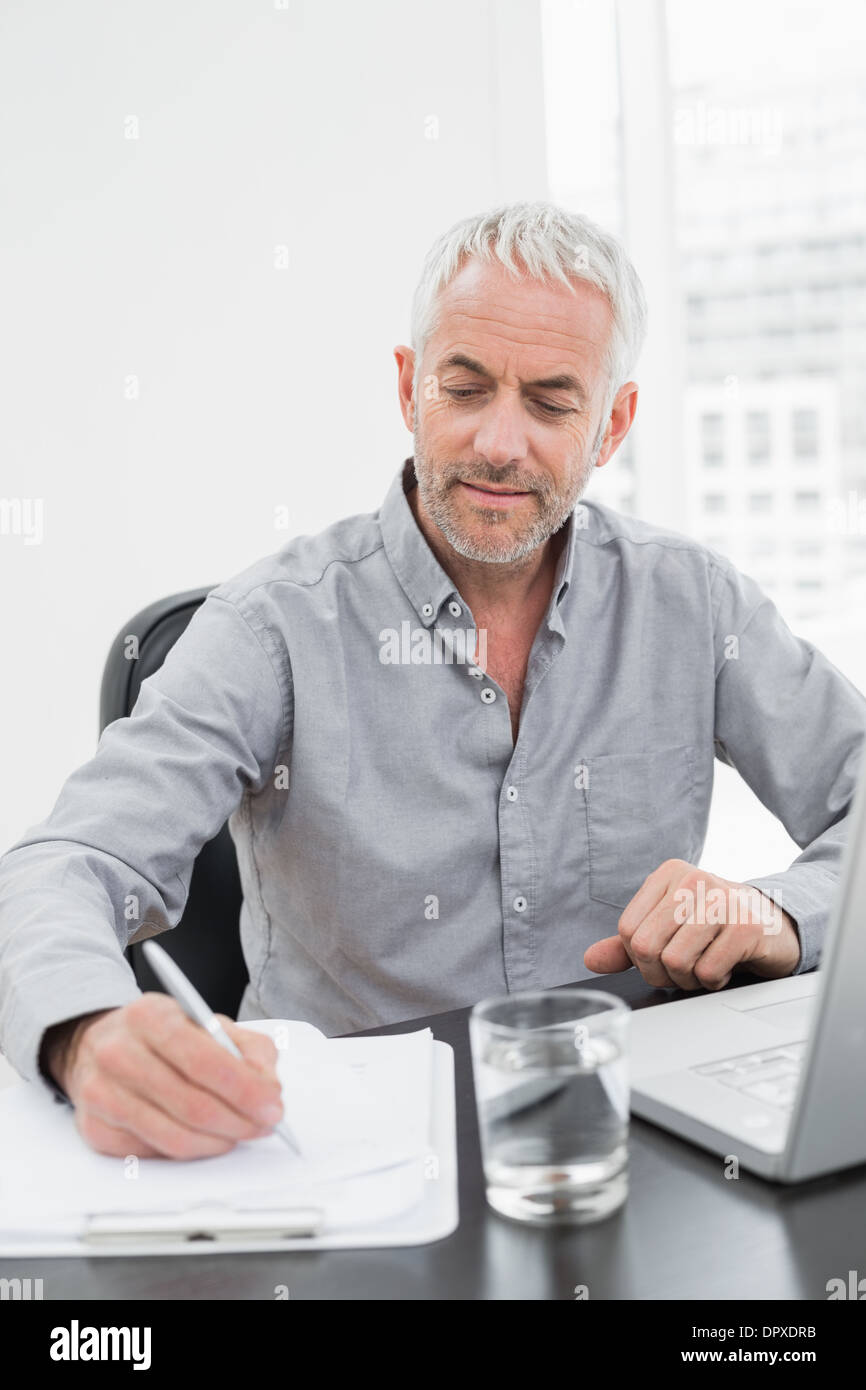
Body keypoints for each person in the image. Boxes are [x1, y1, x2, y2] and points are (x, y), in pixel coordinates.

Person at [1, 201, 864, 1161]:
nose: (501, 442)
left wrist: (783, 910)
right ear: (411, 389)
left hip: (617, 1127)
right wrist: (83, 1033)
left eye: (550, 402)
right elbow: (62, 867)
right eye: (466, 389)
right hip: (340, 1146)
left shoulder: (693, 605)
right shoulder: (272, 627)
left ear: (612, 424)